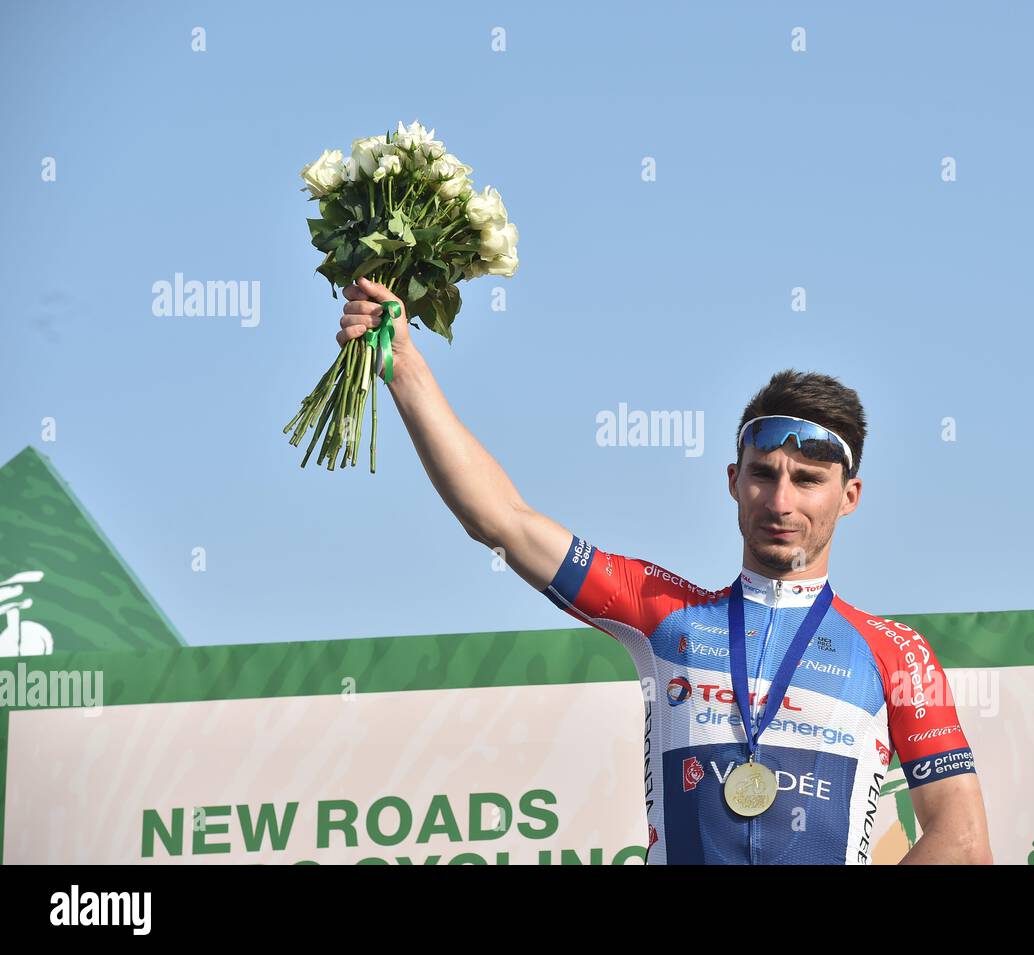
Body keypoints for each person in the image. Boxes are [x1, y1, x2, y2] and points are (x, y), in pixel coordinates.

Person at [337, 277, 994, 865]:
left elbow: (961, 841)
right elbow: (501, 520)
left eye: (809, 479)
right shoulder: (666, 613)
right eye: (764, 474)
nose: (782, 500)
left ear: (848, 495)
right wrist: (404, 367)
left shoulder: (896, 654)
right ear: (734, 482)